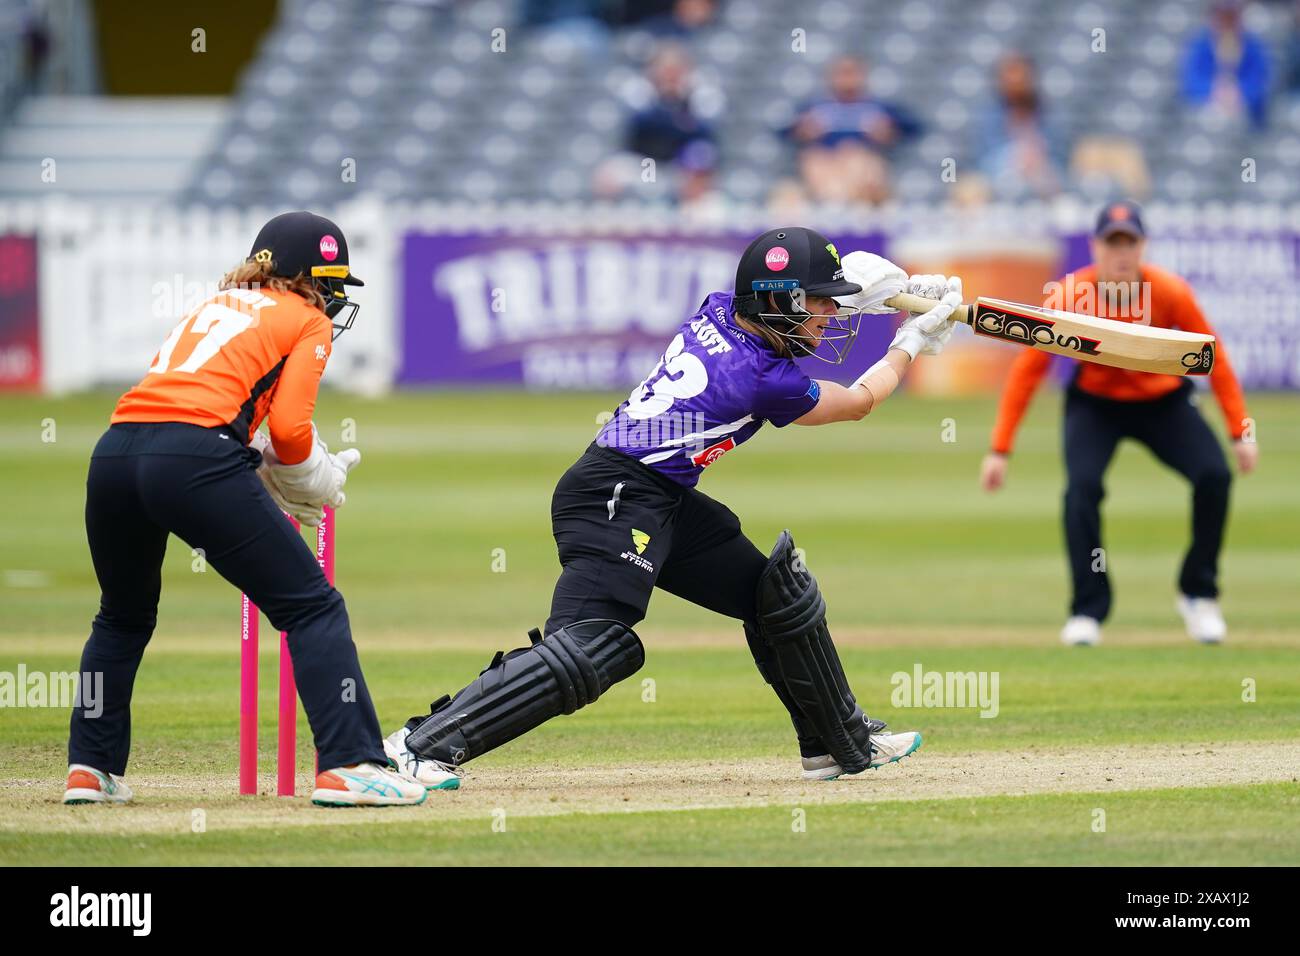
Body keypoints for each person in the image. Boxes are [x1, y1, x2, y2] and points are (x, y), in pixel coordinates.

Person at [385, 227, 962, 783]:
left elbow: (787, 317)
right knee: (594, 646)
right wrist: (908, 342)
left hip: (658, 494)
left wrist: (869, 295)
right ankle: (420, 748)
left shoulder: (718, 309)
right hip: (614, 497)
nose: (831, 317)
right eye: (822, 303)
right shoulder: (760, 377)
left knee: (774, 594)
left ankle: (838, 744)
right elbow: (857, 402)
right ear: (783, 303)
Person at [65, 211, 450, 807]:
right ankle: (349, 765)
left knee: (120, 616)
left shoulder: (215, 305)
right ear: (305, 279)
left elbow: (203, 399)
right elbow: (292, 431)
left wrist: (248, 458)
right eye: (328, 285)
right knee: (312, 607)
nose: (331, 301)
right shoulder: (306, 321)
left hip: (114, 453)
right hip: (193, 457)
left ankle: (90, 769)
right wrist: (309, 476)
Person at [980, 201, 1256, 646]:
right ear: (1096, 246)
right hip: (1096, 405)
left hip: (1164, 403)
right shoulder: (1070, 295)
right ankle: (1088, 609)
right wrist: (1000, 449)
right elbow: (1028, 370)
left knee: (1214, 475)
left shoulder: (1170, 293)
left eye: (1130, 242)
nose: (1121, 253)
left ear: (1143, 246)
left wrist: (1240, 432)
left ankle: (1198, 593)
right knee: (1081, 491)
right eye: (1113, 242)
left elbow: (1214, 358)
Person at [786, 55, 920, 205]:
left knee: (857, 160)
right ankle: (837, 205)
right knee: (814, 161)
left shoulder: (878, 107)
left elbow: (913, 129)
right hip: (825, 163)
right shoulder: (814, 108)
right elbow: (786, 130)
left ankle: (852, 204)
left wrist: (889, 132)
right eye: (842, 73)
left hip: (864, 163)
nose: (847, 79)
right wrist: (804, 131)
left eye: (851, 73)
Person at [1180, 0, 1271, 129]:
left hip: (1244, 112)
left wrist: (1239, 93)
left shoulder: (1253, 46)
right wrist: (1214, 91)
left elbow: (1260, 80)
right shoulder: (1200, 45)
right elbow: (1191, 80)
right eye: (1223, 16)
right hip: (1208, 106)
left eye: (1231, 17)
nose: (1227, 22)